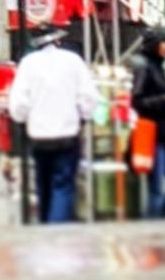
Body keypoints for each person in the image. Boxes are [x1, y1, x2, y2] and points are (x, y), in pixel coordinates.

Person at [8, 27, 102, 225]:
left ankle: (45, 224)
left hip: (39, 137)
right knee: (63, 185)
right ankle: (56, 227)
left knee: (43, 184)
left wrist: (26, 118)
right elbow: (89, 98)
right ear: (58, 41)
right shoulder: (73, 61)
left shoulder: (28, 64)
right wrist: (81, 116)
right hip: (67, 134)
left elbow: (18, 105)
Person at [129, 31, 165, 217]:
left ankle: (159, 218)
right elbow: (137, 101)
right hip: (153, 133)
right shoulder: (145, 67)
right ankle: (153, 222)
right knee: (156, 186)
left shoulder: (158, 66)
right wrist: (164, 99)